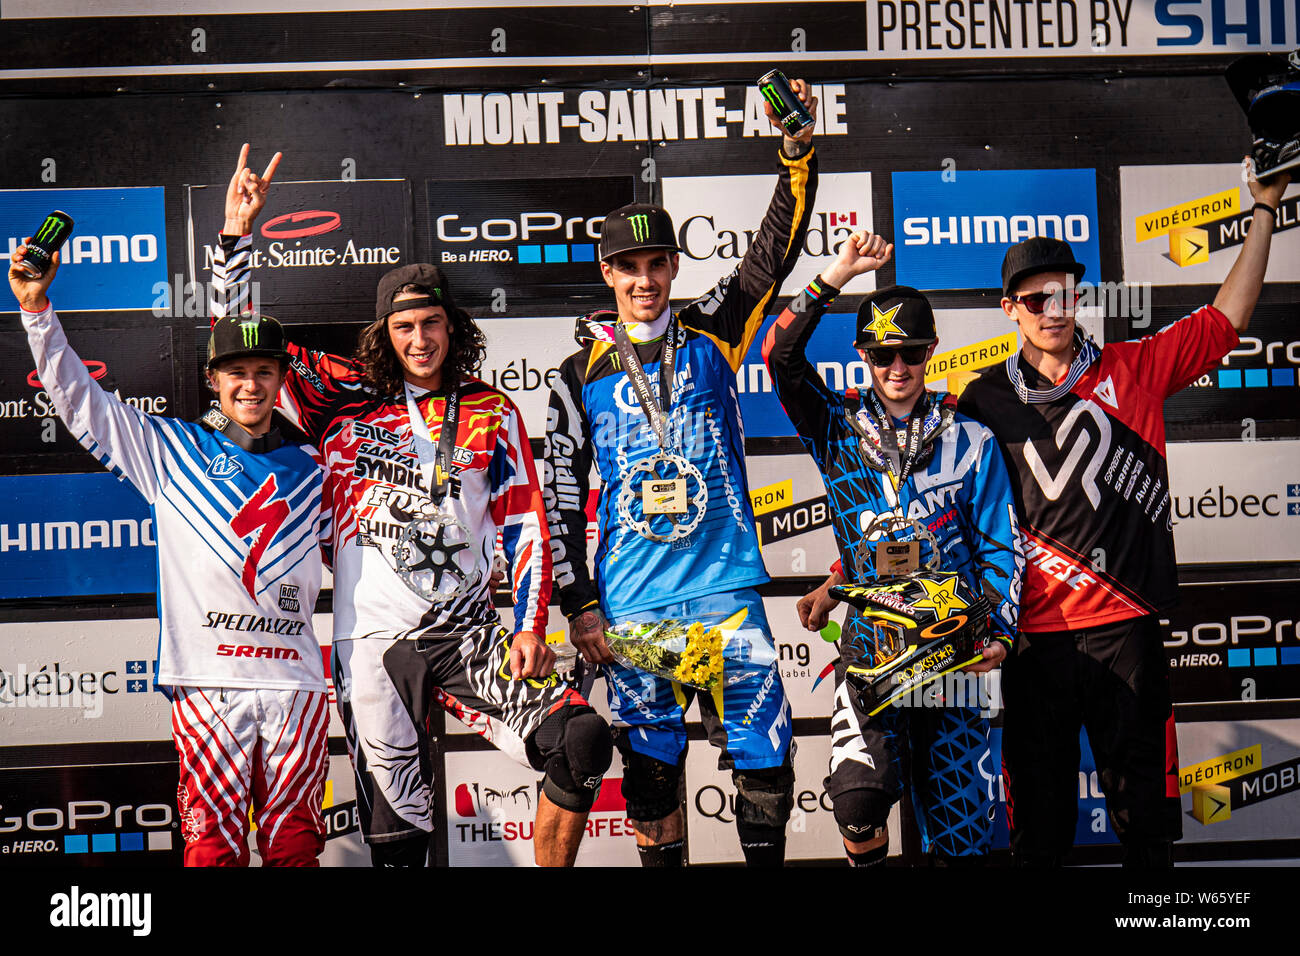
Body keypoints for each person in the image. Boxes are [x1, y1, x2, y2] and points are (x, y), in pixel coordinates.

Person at [212, 145, 611, 867]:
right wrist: (237, 240)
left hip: (468, 636)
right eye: (404, 328)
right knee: (398, 842)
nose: (419, 339)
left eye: (430, 323)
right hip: (371, 645)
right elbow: (246, 344)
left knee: (580, 740)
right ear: (384, 335)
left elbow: (525, 521)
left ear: (451, 327)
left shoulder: (492, 409)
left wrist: (529, 624)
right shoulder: (340, 397)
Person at [956, 168, 1293, 867]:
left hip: (1126, 634)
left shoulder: (1132, 367)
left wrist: (1264, 209)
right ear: (1008, 308)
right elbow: (934, 507)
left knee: (1147, 832)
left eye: (1067, 292)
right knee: (1039, 837)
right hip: (1031, 644)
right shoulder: (979, 402)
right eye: (1036, 297)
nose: (1054, 307)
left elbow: (1227, 319)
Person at [544, 81, 820, 867]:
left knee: (765, 767)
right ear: (607, 273)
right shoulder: (576, 373)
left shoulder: (715, 329)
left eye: (656, 263)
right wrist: (581, 607)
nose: (644, 280)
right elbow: (562, 498)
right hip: (635, 606)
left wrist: (796, 154)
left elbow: (774, 251)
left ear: (672, 265)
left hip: (727, 593)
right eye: (627, 266)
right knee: (653, 784)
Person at [12, 239, 332, 867]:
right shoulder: (168, 450)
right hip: (206, 682)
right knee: (210, 848)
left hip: (295, 681)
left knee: (295, 846)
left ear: (281, 380)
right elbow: (81, 402)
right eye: (236, 371)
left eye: (264, 370)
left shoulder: (318, 467)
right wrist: (36, 311)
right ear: (213, 380)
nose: (250, 383)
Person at [761, 232, 1023, 865]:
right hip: (872, 641)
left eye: (909, 353)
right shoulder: (837, 426)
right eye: (882, 356)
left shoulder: (973, 439)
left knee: (959, 841)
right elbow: (778, 353)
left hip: (952, 651)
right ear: (863, 356)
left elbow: (999, 547)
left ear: (931, 351)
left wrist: (1001, 632)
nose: (897, 368)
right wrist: (837, 274)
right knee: (855, 806)